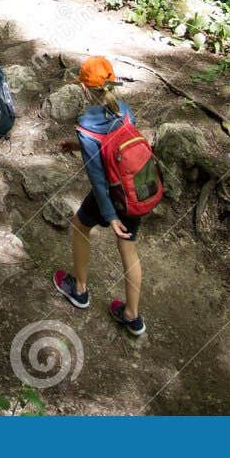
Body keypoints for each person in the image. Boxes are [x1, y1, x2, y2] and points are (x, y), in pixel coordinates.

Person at [50, 56, 149, 336]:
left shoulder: (86, 125)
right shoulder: (126, 111)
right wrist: (75, 145)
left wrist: (110, 215)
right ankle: (132, 315)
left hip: (112, 196)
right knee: (128, 247)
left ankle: (79, 290)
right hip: (135, 191)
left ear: (84, 89)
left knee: (80, 226)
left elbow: (97, 176)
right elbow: (116, 146)